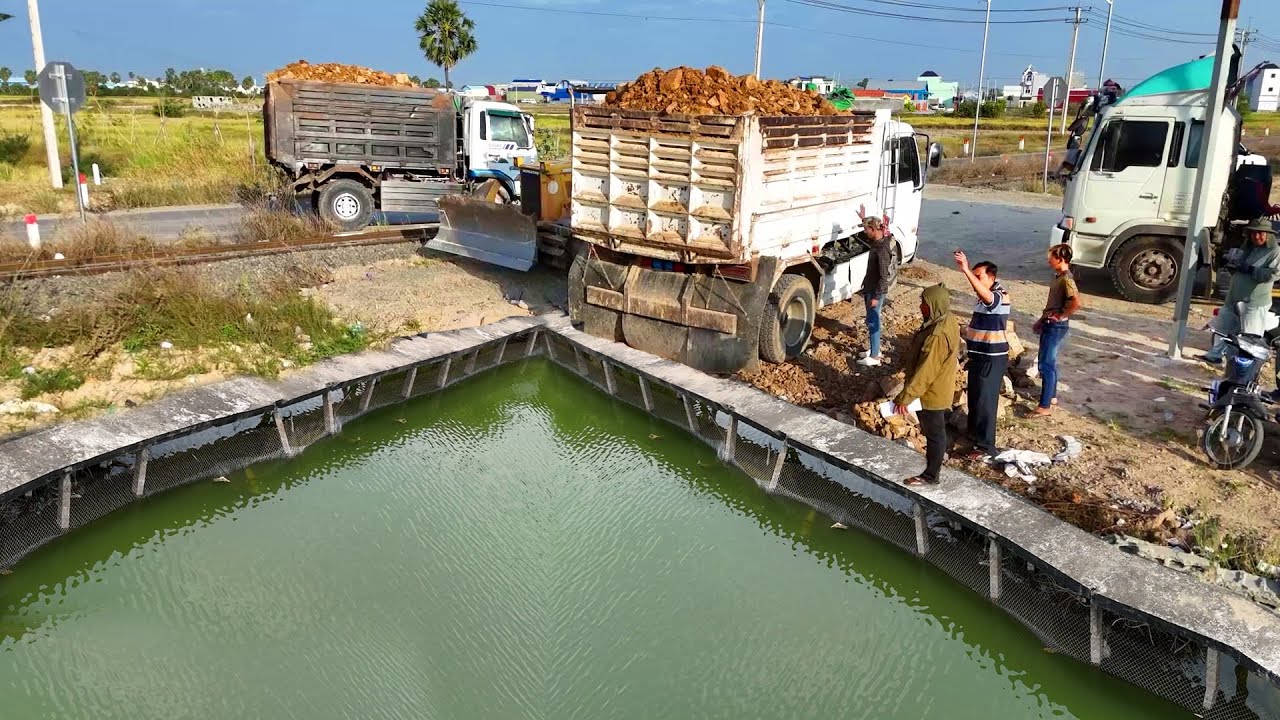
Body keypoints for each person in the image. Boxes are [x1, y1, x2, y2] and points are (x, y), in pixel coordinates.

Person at [894, 284, 961, 487]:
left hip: (932, 392)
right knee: (936, 431)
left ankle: (931, 476)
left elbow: (926, 372)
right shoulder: (946, 318)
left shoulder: (937, 336)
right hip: (939, 386)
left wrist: (906, 397)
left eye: (924, 303)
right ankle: (934, 468)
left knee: (934, 434)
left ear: (934, 305)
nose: (921, 307)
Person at [953, 251, 1010, 459]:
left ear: (992, 278)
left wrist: (966, 270)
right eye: (975, 277)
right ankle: (975, 438)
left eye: (980, 277)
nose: (976, 281)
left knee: (986, 401)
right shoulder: (982, 298)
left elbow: (989, 299)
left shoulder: (999, 296)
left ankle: (986, 446)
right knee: (976, 399)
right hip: (978, 357)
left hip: (991, 358)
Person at [1203, 218, 1280, 364]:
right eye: (1253, 233)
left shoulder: (1274, 251)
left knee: (1250, 338)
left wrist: (1252, 270)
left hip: (1255, 300)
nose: (1257, 237)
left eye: (1261, 233)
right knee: (1222, 327)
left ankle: (1247, 368)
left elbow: (1274, 274)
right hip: (1234, 297)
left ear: (1268, 234)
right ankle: (1215, 356)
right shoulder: (1248, 248)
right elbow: (1237, 264)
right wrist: (1232, 266)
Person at [1032, 244, 1081, 417]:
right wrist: (1042, 319)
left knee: (1045, 364)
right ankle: (1051, 397)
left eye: (1051, 258)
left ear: (1060, 259)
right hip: (1050, 322)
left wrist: (1060, 316)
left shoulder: (1066, 279)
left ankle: (1044, 406)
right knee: (1050, 363)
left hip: (1056, 326)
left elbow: (1075, 302)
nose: (1048, 261)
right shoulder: (1059, 277)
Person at [857, 207, 897, 367]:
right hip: (872, 288)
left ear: (873, 229)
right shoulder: (880, 240)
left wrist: (875, 297)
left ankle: (874, 356)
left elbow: (883, 277)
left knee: (873, 321)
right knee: (872, 320)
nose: (865, 232)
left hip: (875, 291)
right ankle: (875, 349)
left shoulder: (881, 250)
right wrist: (863, 218)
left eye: (867, 229)